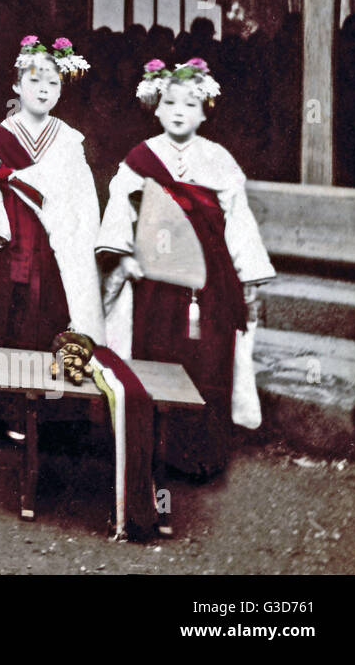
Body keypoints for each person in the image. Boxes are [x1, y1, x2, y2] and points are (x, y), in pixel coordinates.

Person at [97, 58, 274, 477]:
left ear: (204, 110)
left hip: (209, 278)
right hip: (156, 276)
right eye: (170, 102)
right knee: (157, 350)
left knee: (208, 356)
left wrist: (247, 274)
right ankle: (154, 451)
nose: (179, 111)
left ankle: (201, 455)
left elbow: (238, 220)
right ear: (156, 108)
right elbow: (119, 211)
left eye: (190, 104)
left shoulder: (219, 160)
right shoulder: (141, 157)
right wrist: (123, 257)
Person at [0, 35, 104, 441]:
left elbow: (81, 196)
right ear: (16, 86)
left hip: (54, 246)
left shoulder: (68, 140)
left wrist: (80, 236)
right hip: (14, 240)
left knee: (53, 315)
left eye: (53, 83)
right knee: (12, 315)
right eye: (35, 81)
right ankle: (8, 408)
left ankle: (52, 413)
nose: (43, 90)